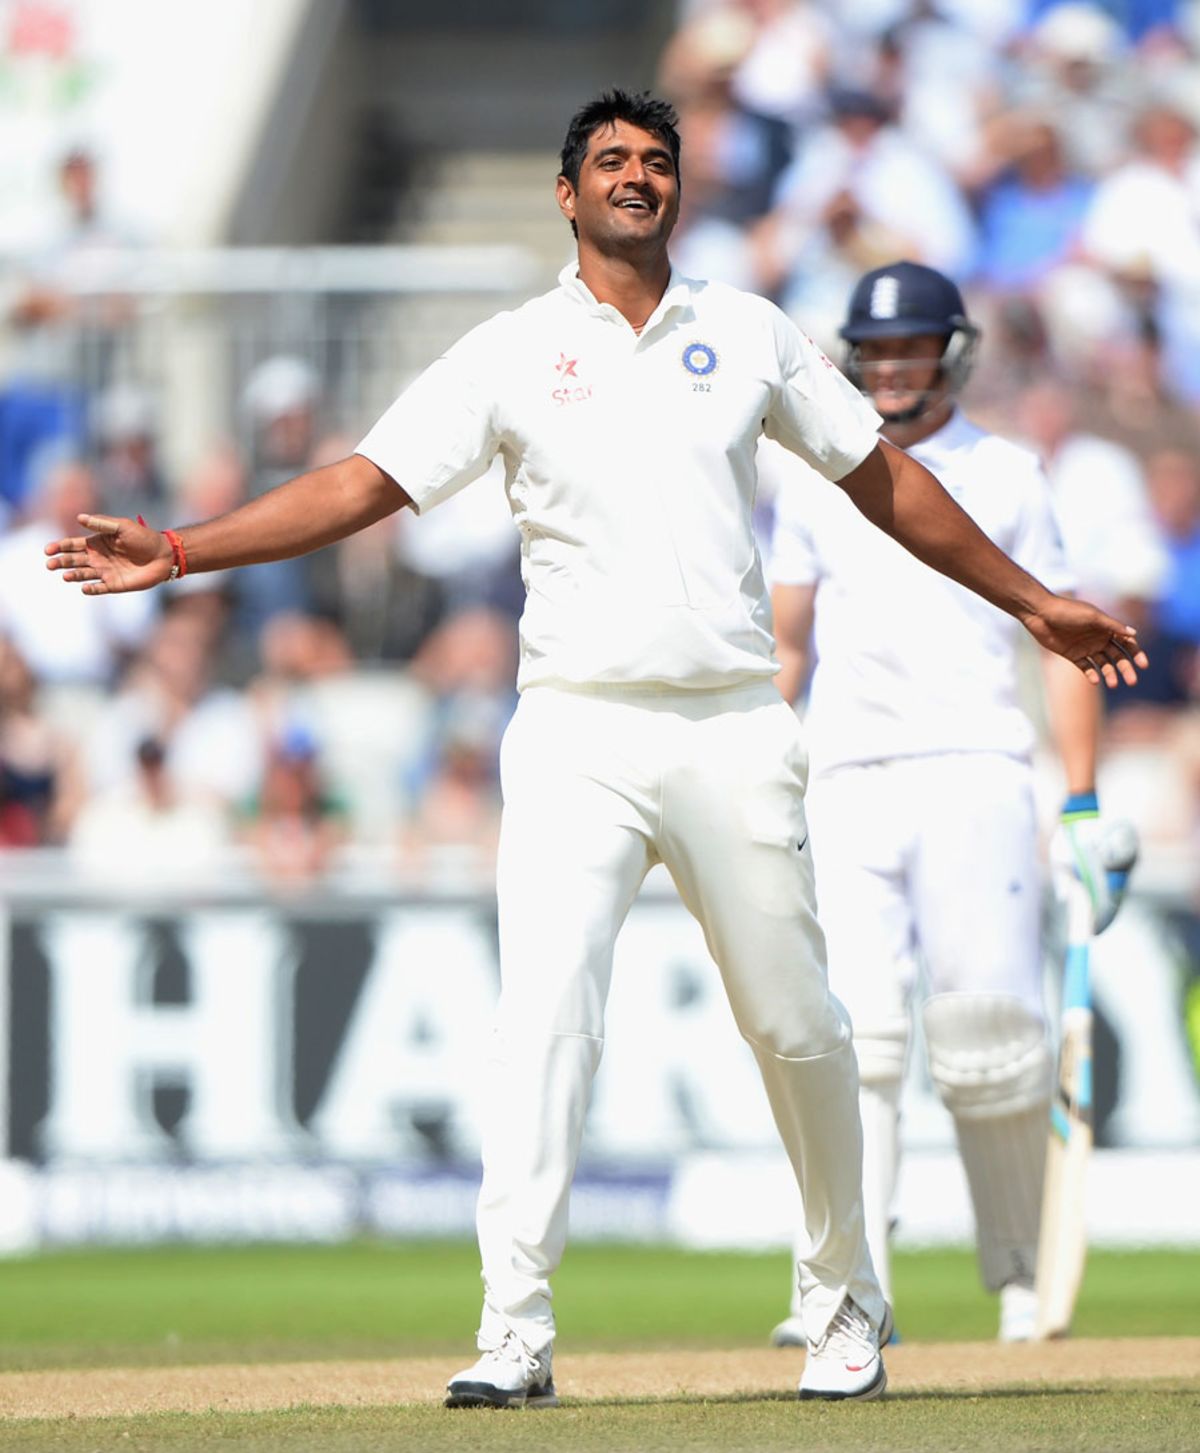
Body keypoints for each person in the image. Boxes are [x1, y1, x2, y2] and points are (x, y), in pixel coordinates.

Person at [44, 92, 1146, 1408]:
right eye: (613, 162)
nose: (638, 177)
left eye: (658, 162)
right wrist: (178, 549)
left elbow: (885, 480)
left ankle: (845, 1294)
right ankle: (515, 1328)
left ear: (678, 193)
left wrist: (1033, 600)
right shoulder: (512, 352)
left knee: (798, 1022)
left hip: (732, 718)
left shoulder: (746, 332)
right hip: (573, 723)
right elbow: (363, 482)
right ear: (567, 197)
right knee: (545, 1025)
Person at [764, 260, 1138, 1346]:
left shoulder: (1010, 472)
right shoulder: (807, 477)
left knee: (986, 1031)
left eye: (908, 348)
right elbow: (787, 649)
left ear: (952, 353)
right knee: (854, 1035)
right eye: (873, 350)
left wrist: (1078, 799)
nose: (888, 369)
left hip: (975, 764)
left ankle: (1022, 1270)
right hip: (844, 771)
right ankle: (841, 1280)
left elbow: (1061, 642)